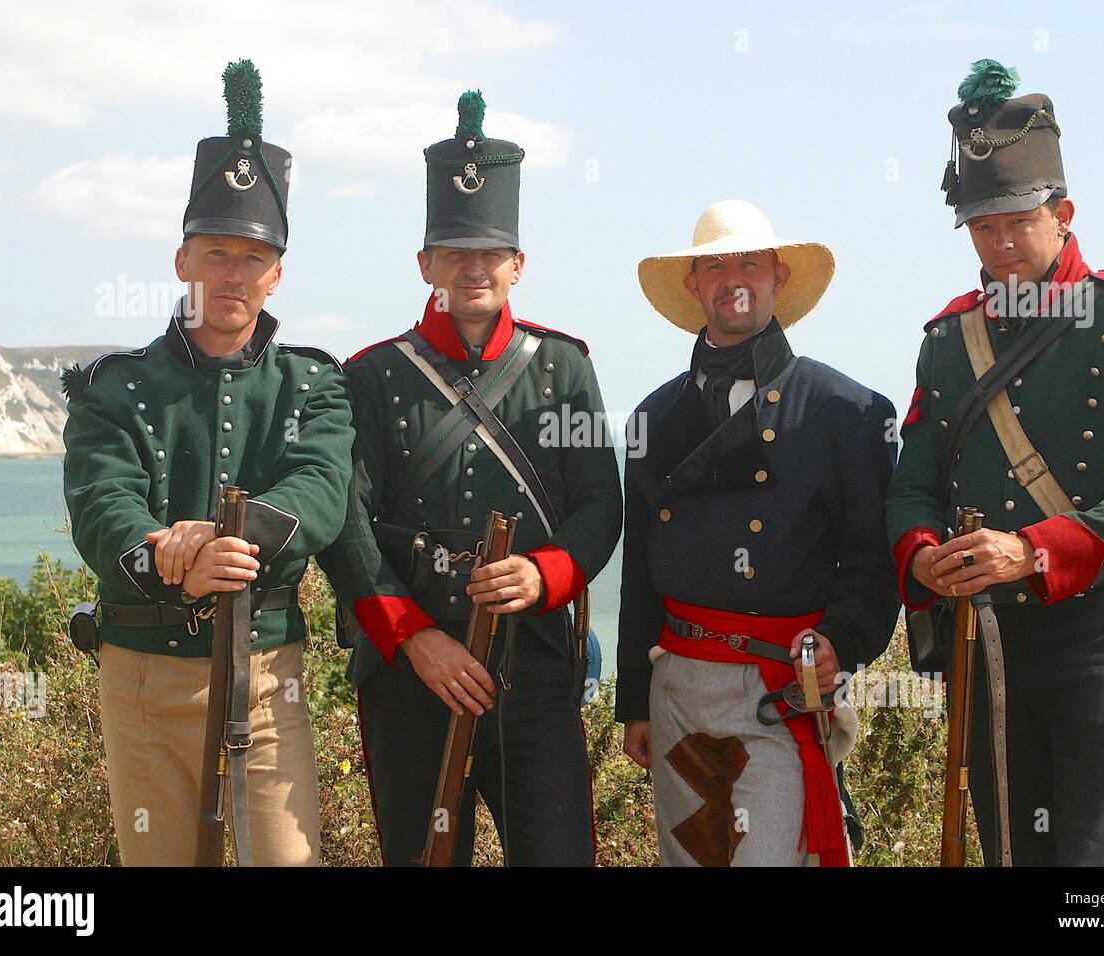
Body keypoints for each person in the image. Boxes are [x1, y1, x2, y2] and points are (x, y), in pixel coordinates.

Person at [886, 59, 1104, 866]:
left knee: (1097, 865)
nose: (1000, 244)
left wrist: (1033, 550)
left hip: (1100, 633)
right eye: (982, 227)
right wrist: (924, 559)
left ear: (1061, 213)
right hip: (986, 637)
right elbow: (913, 481)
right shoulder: (947, 342)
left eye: (1016, 222)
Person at [317, 91, 622, 866]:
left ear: (518, 264)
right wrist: (417, 640)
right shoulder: (372, 376)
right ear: (426, 264)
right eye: (455, 252)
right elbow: (346, 528)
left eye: (490, 252)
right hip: (412, 679)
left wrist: (543, 574)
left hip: (534, 669)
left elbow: (598, 505)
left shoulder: (563, 367)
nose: (474, 267)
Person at [61, 60, 352, 866]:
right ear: (182, 260)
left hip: (268, 678)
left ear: (277, 273)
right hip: (144, 680)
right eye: (217, 253)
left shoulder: (315, 384)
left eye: (253, 258)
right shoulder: (112, 387)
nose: (235, 273)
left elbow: (320, 491)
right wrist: (165, 554)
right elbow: (101, 504)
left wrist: (222, 547)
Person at [616, 199, 899, 866]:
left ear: (778, 277)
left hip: (783, 685)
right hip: (679, 686)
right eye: (715, 264)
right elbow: (639, 570)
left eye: (750, 262)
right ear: (694, 283)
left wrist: (841, 642)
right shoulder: (654, 416)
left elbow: (871, 560)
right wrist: (635, 701)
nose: (733, 277)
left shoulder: (848, 411)